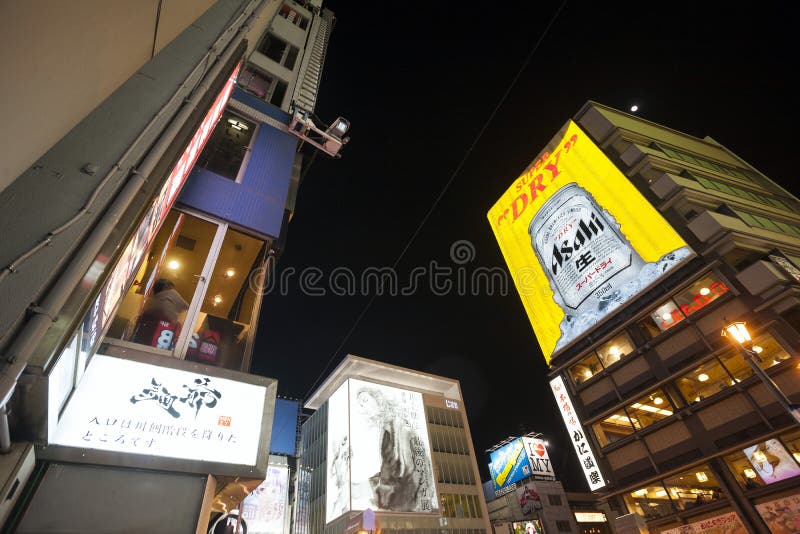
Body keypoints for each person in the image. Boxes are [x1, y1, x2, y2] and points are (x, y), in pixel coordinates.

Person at [356, 387, 435, 512]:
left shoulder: (397, 427)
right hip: (412, 502)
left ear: (378, 400)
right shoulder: (390, 427)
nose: (363, 408)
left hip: (412, 505)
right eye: (360, 405)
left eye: (365, 401)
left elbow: (404, 471)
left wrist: (367, 489)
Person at [133, 278, 189, 347]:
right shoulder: (171, 293)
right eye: (171, 287)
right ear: (166, 286)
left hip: (145, 331)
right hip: (163, 331)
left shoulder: (152, 300)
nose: (173, 289)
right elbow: (187, 307)